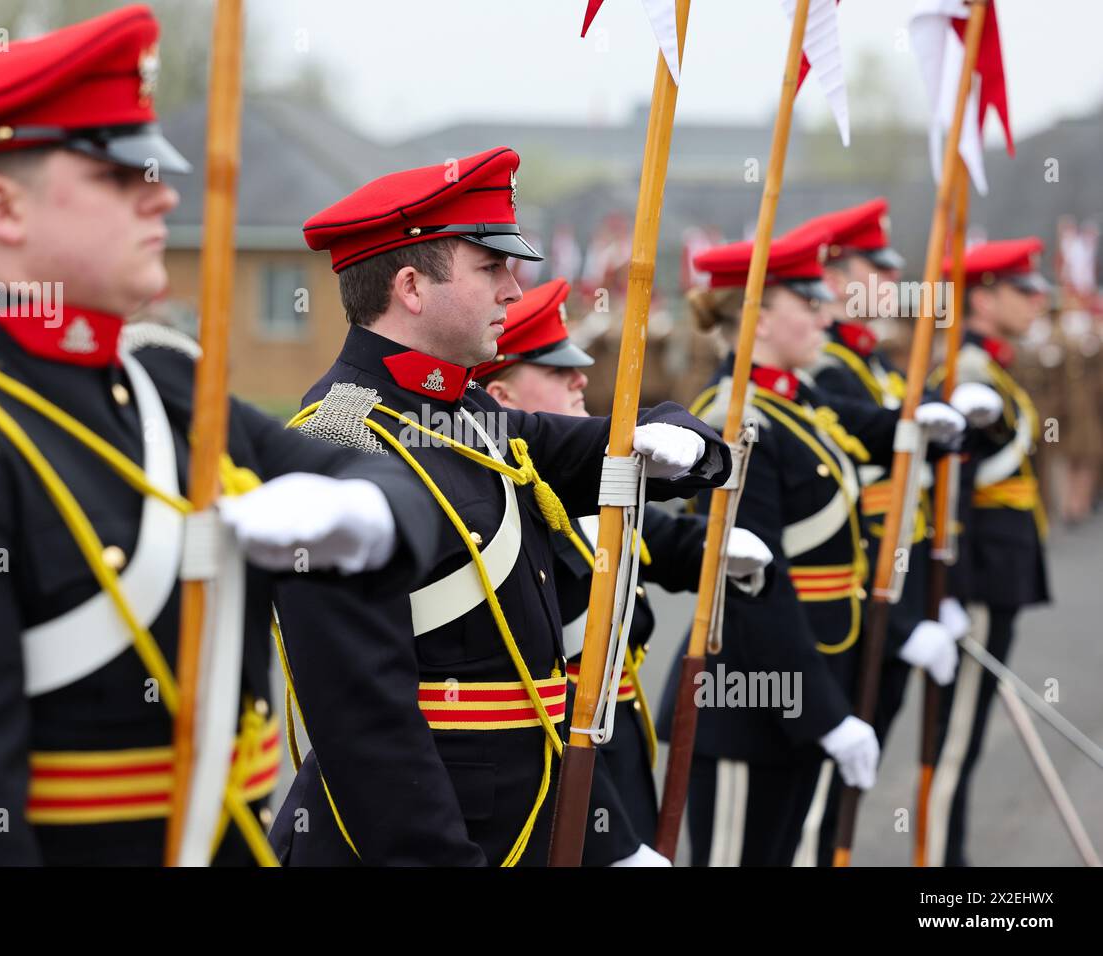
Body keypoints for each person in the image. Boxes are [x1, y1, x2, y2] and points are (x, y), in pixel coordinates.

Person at [0, 4, 441, 866]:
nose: (165, 193)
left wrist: (365, 513)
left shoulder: (167, 380)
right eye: (120, 175)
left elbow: (395, 484)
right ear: (1, 208)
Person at [269, 146, 732, 866]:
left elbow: (588, 450)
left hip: (525, 831)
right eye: (492, 269)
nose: (515, 292)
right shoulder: (337, 437)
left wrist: (681, 441)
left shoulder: (470, 411)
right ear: (412, 285)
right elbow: (365, 729)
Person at [658, 229, 967, 866]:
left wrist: (929, 422)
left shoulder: (793, 397)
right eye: (810, 301)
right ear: (759, 318)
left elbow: (874, 427)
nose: (828, 313)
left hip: (806, 685)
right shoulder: (737, 421)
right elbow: (752, 588)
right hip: (753, 699)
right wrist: (824, 713)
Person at [473, 277, 773, 867]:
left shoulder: (571, 484)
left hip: (620, 741)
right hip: (572, 763)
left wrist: (716, 548)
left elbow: (647, 535)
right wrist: (611, 841)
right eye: (557, 371)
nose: (580, 378)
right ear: (503, 398)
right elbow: (540, 705)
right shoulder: (507, 506)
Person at [785, 200, 1001, 865]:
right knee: (819, 795)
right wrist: (905, 620)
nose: (888, 280)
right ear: (837, 272)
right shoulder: (828, 370)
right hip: (849, 594)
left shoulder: (869, 364)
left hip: (892, 580)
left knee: (844, 787)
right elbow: (865, 490)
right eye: (875, 267)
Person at [926, 237, 1052, 867]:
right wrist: (949, 592)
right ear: (983, 296)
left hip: (994, 577)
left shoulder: (987, 368)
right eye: (1024, 290)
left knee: (962, 739)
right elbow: (950, 496)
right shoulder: (969, 374)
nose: (1037, 302)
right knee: (952, 744)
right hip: (974, 583)